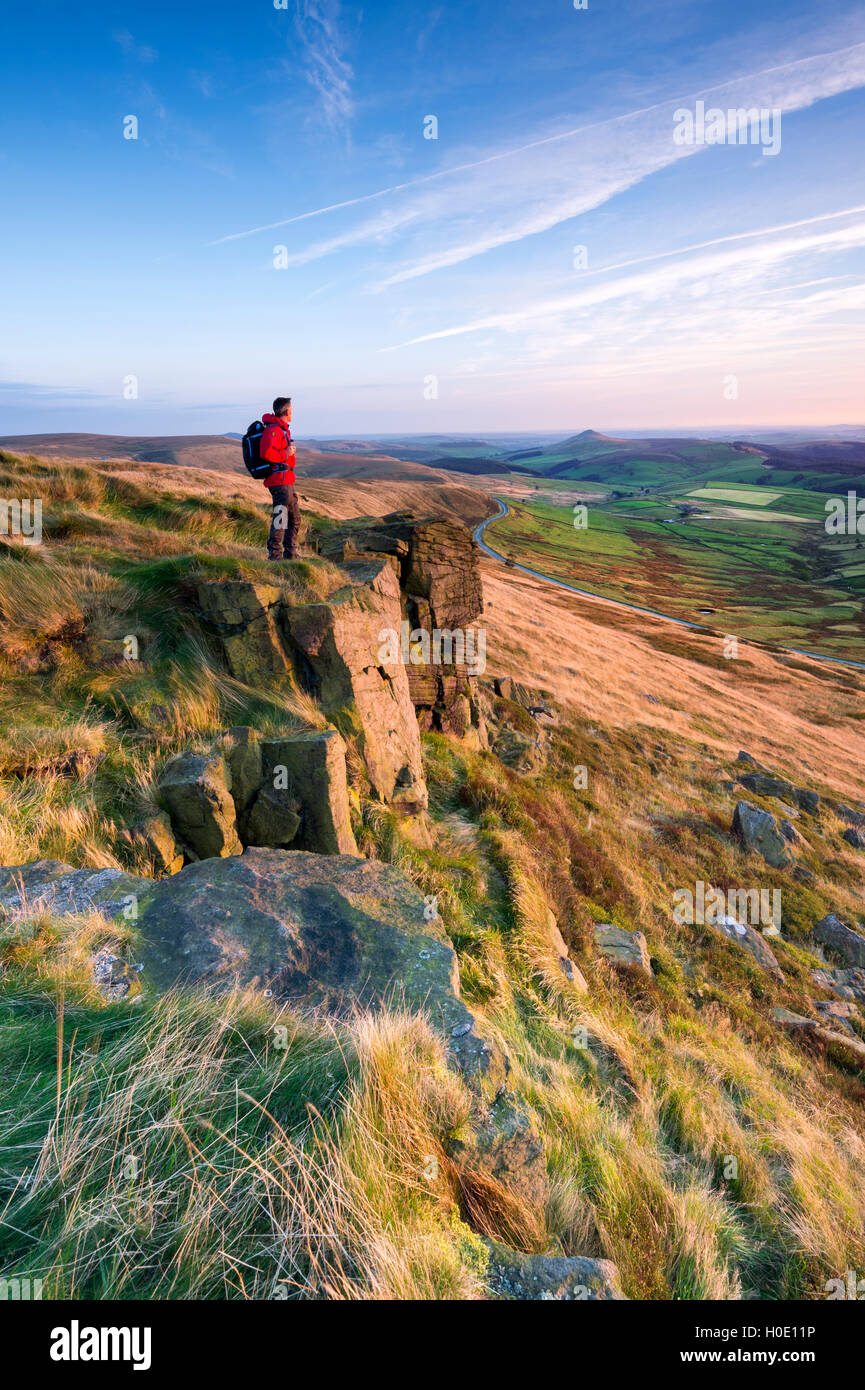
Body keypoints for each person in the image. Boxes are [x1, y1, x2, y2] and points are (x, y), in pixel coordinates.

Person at [260, 396, 300, 560]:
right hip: (279, 482)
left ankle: (290, 552)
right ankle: (275, 555)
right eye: (291, 409)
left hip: (287, 481)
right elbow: (266, 453)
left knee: (294, 518)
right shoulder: (273, 430)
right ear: (287, 411)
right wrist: (287, 453)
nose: (292, 412)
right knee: (281, 518)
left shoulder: (281, 428)